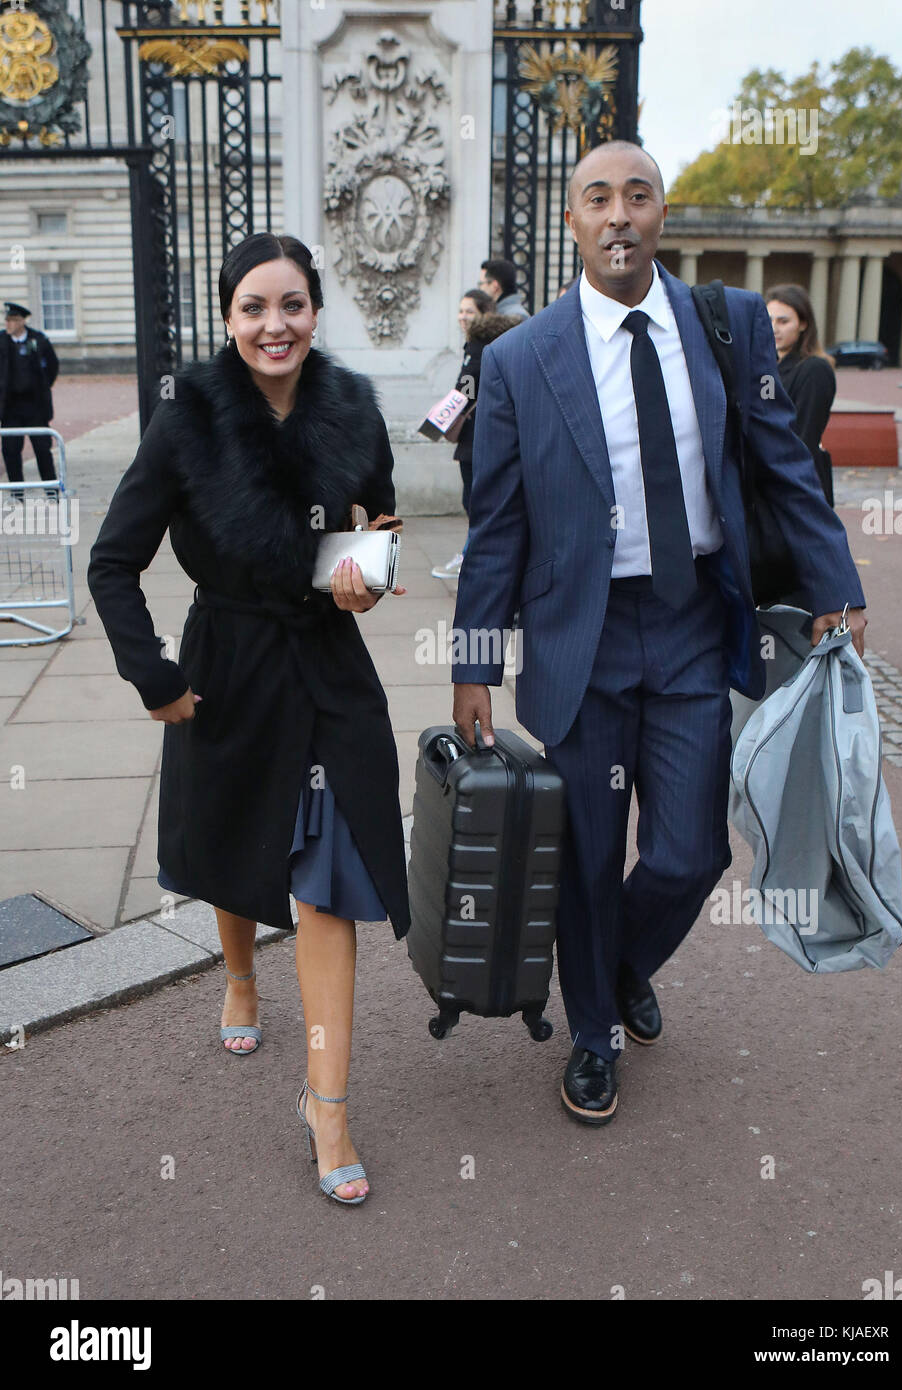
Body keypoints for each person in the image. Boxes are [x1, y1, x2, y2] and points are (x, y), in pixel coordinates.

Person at [452, 141, 867, 1126]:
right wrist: (474, 658)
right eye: (598, 198)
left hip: (689, 623)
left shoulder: (722, 327)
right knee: (590, 855)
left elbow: (781, 464)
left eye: (638, 195)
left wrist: (837, 581)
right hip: (578, 639)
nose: (619, 215)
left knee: (690, 853)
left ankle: (621, 960)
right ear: (573, 222)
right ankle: (593, 1031)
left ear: (662, 215)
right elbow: (497, 522)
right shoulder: (518, 358)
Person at [88, 233, 410, 1205]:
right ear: (227, 318)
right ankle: (238, 977)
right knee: (236, 848)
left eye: (294, 304)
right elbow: (113, 559)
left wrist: (368, 582)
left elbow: (379, 529)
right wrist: (152, 676)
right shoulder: (188, 415)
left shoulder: (353, 407)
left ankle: (330, 1104)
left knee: (328, 885)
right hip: (224, 667)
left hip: (326, 666)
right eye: (254, 307)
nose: (276, 325)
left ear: (317, 310)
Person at [430, 289, 522, 579]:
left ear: (484, 313)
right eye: (460, 311)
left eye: (469, 311)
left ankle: (473, 558)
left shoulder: (478, 347)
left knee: (476, 502)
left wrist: (437, 421)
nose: (462, 317)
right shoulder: (501, 341)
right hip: (497, 435)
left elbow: (464, 390)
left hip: (477, 438)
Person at [765, 284, 837, 505]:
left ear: (803, 324)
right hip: (771, 481)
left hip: (799, 487)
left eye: (783, 321)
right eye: (769, 320)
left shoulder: (814, 369)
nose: (774, 328)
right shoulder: (768, 367)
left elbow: (804, 437)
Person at [0, 301, 59, 501]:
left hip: (35, 406)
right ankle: (18, 494)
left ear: (21, 321)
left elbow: (52, 366)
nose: (7, 324)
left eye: (11, 320)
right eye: (6, 320)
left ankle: (51, 491)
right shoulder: (1, 341)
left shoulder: (38, 340)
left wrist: (43, 387)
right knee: (10, 451)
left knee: (42, 449)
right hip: (9, 407)